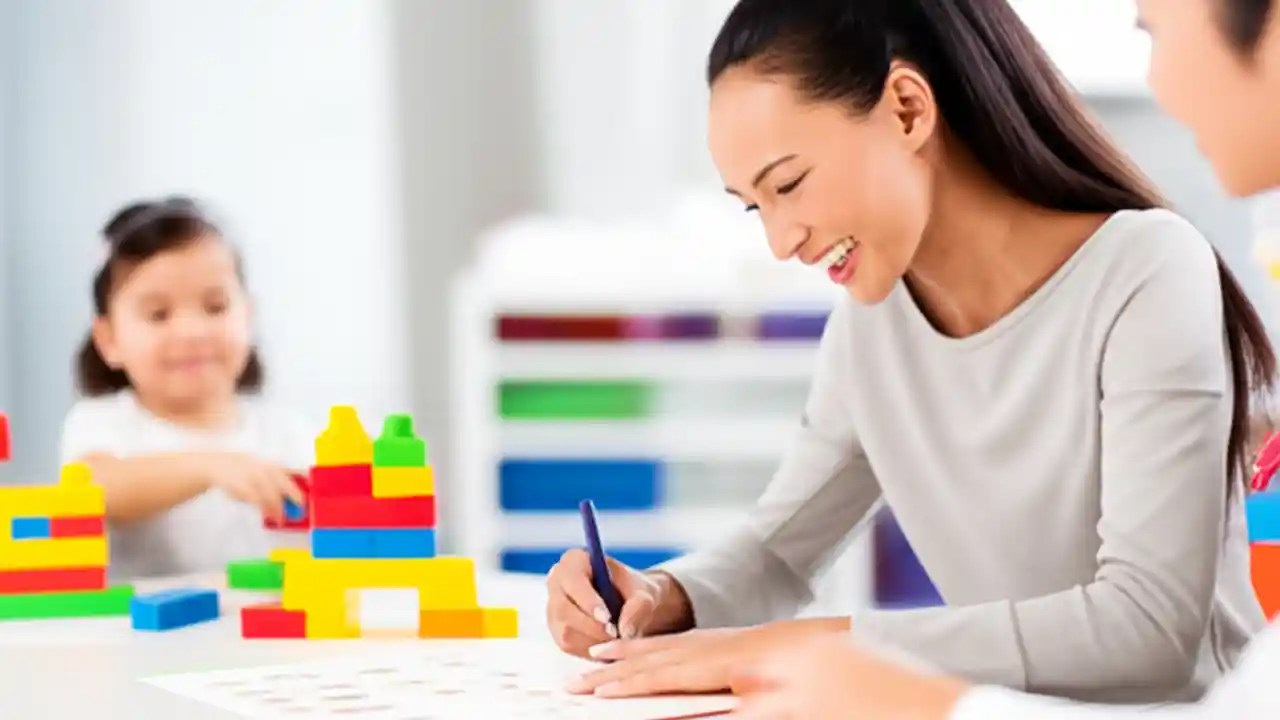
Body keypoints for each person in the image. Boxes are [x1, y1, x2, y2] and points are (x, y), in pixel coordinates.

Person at [549, 0, 1278, 706]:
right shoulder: (874, 327)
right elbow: (777, 551)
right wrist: (660, 595)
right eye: (754, 204)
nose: (780, 241)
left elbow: (1145, 627)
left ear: (907, 108)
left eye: (790, 184)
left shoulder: (1145, 271)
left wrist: (810, 649)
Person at [60, 196, 312, 579]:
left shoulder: (286, 432)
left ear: (248, 315)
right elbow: (95, 489)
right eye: (158, 315)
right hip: (139, 637)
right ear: (109, 340)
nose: (193, 331)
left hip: (262, 634)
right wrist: (209, 465)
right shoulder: (102, 424)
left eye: (215, 307)